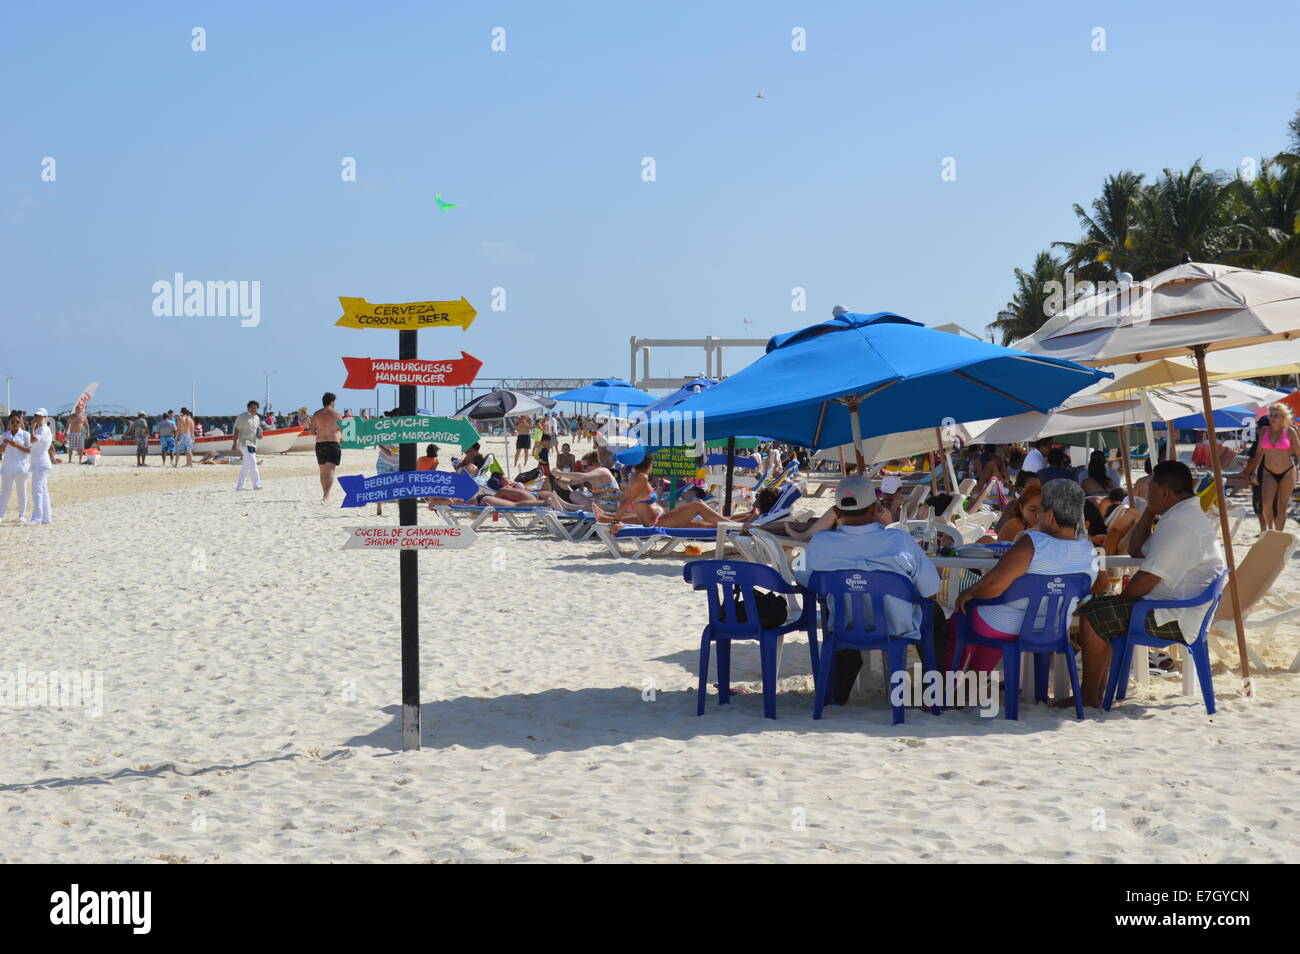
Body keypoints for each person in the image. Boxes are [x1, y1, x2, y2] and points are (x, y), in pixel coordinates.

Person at [1069, 461, 1225, 708]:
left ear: (1164, 492)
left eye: (1150, 490)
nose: (1146, 494)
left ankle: (1089, 697)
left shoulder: (1180, 523)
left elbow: (1149, 578)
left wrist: (1119, 602)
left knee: (1094, 614)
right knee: (1102, 610)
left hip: (1174, 615)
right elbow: (1137, 549)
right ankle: (1094, 693)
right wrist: (1150, 512)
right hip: (1178, 608)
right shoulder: (1180, 515)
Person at [794, 475, 942, 704]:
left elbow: (802, 577)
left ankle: (837, 693)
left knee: (843, 619)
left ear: (836, 511)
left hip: (845, 625)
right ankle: (934, 694)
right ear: (875, 508)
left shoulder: (820, 543)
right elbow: (931, 588)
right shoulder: (899, 541)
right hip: (897, 626)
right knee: (935, 615)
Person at [954, 479, 1098, 672]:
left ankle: (948, 687)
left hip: (1009, 626)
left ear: (1051, 516)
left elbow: (993, 585)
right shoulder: (1089, 549)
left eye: (1041, 511)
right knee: (992, 616)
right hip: (1054, 628)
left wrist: (968, 593)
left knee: (961, 619)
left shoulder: (1034, 542)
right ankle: (973, 683)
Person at [603, 455, 732, 528]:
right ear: (649, 464)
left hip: (661, 519)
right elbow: (626, 501)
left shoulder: (637, 477)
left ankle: (738, 525)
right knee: (698, 505)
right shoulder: (641, 477)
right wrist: (615, 521)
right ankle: (734, 526)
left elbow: (628, 500)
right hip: (656, 523)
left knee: (705, 525)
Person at [1247, 402, 1300, 532]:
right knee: (1266, 505)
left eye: (1276, 415)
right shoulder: (1264, 431)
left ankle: (1278, 534)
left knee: (1281, 506)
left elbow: (1299, 453)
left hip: (1287, 472)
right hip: (1268, 472)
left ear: (1283, 417)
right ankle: (1270, 530)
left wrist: (1298, 468)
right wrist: (1254, 470)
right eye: (1271, 415)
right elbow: (1259, 452)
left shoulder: (1290, 431)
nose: (1272, 418)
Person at [309, 392, 344, 502]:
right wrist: (341, 437)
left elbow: (310, 431)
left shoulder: (316, 414)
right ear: (332, 402)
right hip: (332, 443)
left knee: (323, 470)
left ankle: (325, 493)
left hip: (320, 443)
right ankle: (326, 494)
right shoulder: (337, 415)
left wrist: (318, 432)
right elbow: (345, 431)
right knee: (330, 471)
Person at [0, 411, 31, 522]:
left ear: (20, 422)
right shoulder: (5, 435)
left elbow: (30, 450)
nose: (14, 423)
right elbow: (0, 450)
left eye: (17, 422)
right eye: (12, 421)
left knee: (21, 492)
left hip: (21, 468)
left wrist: (17, 445)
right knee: (4, 492)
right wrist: (5, 444)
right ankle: (0, 515)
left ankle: (22, 515)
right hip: (7, 468)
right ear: (9, 422)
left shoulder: (25, 435)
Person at [27, 408, 53, 525]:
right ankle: (46, 518)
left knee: (37, 490)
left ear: (45, 418)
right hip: (40, 461)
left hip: (40, 462)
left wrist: (31, 428)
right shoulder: (43, 429)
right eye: (36, 416)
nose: (38, 418)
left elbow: (33, 440)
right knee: (42, 490)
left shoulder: (42, 429)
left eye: (40, 416)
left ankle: (37, 518)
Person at [232, 400, 264, 490]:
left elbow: (258, 430)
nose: (254, 409)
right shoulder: (242, 417)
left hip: (253, 444)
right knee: (253, 464)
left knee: (245, 467)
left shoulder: (257, 418)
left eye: (256, 408)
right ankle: (256, 485)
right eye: (252, 408)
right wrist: (234, 443)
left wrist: (260, 434)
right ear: (248, 408)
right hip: (244, 443)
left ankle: (240, 486)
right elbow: (237, 430)